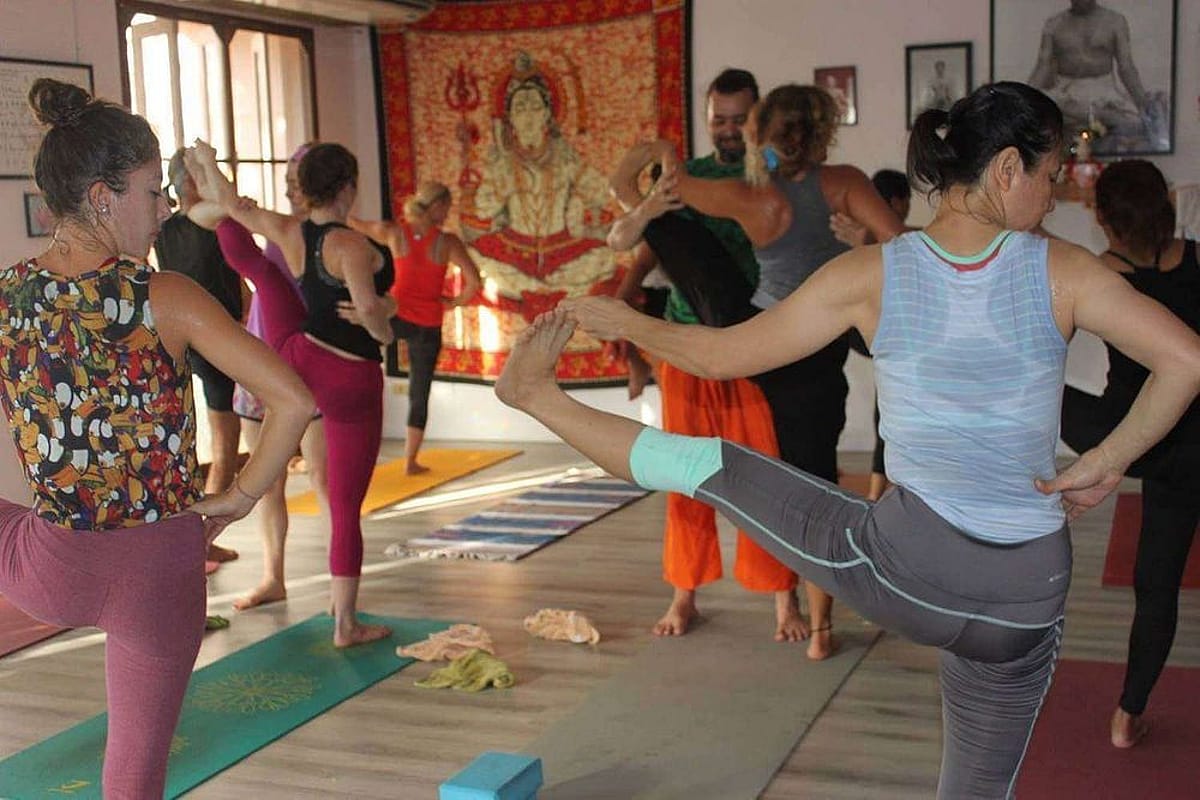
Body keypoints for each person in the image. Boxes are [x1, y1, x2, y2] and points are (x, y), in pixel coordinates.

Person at [497, 81, 1200, 797]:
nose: (1052, 198)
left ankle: (532, 396)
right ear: (1008, 170)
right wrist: (1108, 463)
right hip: (1028, 599)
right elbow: (1188, 361)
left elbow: (719, 355)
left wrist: (631, 323)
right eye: (1051, 177)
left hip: (909, 573)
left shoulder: (870, 274)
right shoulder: (1069, 273)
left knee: (708, 462)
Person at [0, 79, 313, 797]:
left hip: (54, 569)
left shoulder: (7, 296)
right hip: (160, 570)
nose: (167, 208)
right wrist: (236, 498)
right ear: (104, 197)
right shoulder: (164, 294)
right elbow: (293, 402)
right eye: (153, 191)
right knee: (134, 776)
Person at [609, 83, 906, 658]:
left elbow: (632, 186)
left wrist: (660, 152)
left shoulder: (753, 195)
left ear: (760, 130)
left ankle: (788, 603)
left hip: (758, 341)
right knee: (817, 487)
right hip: (817, 353)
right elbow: (902, 247)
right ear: (823, 131)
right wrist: (861, 242)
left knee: (672, 230)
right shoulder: (842, 182)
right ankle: (819, 631)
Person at [608, 68, 809, 645]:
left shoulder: (768, 173)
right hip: (686, 344)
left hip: (750, 341)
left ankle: (781, 597)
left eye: (737, 119)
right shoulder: (685, 174)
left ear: (758, 118)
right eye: (716, 119)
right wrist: (626, 304)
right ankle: (684, 593)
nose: (725, 130)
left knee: (763, 475)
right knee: (684, 474)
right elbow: (649, 246)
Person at [186, 139, 398, 647]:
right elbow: (369, 314)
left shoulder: (292, 231)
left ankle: (235, 500)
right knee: (344, 507)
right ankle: (346, 624)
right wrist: (389, 325)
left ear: (306, 190)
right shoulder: (353, 245)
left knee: (257, 268)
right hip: (349, 377)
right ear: (349, 187)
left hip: (298, 358)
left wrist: (206, 166)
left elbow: (234, 212)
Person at [1059, 159, 1200, 748]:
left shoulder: (1103, 272)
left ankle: (1127, 717)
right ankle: (1128, 713)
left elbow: (1038, 248)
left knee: (1156, 583)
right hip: (1189, 444)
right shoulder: (1194, 256)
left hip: (1139, 440)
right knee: (1157, 581)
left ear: (1106, 220)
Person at [230, 142, 332, 611]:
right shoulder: (273, 229)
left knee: (323, 478)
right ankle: (274, 576)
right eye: (288, 183)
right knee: (264, 479)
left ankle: (342, 582)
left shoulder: (320, 236)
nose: (292, 191)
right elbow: (234, 242)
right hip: (259, 362)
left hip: (306, 366)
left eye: (299, 183)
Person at [347, 181, 482, 475]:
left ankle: (384, 451)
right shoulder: (447, 243)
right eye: (445, 206)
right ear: (435, 206)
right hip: (427, 323)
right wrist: (453, 302)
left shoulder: (395, 232)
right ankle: (409, 462)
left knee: (362, 361)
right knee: (418, 392)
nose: (447, 213)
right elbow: (474, 281)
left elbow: (352, 222)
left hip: (395, 316)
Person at [461, 50, 614, 306]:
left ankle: (535, 288)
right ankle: (543, 288)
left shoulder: (565, 157)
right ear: (510, 118)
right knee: (474, 256)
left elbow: (600, 192)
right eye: (520, 108)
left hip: (561, 247)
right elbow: (484, 210)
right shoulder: (503, 162)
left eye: (535, 106)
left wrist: (579, 202)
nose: (528, 114)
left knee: (604, 257)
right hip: (513, 249)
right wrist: (500, 183)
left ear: (547, 114)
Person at [156, 147, 248, 565]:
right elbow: (226, 204)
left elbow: (231, 279)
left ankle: (200, 539)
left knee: (211, 439)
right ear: (189, 182)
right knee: (226, 441)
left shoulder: (166, 228)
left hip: (187, 340)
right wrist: (208, 168)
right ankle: (203, 539)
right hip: (210, 343)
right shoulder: (198, 218)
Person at [831, 168, 916, 500]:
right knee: (886, 410)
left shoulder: (885, 236)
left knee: (887, 410)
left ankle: (875, 494)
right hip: (869, 328)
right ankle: (874, 494)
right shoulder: (876, 236)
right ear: (897, 202)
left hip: (875, 330)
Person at [1027, 0, 1165, 151]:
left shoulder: (1115, 21)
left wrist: (1142, 103)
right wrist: (1024, 102)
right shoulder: (1054, 24)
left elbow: (1126, 68)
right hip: (1067, 94)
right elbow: (1043, 66)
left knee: (1133, 123)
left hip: (1104, 92)